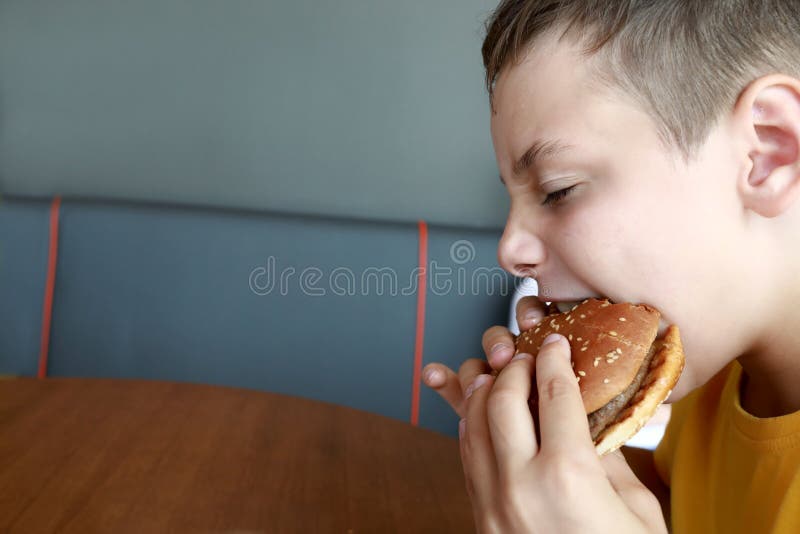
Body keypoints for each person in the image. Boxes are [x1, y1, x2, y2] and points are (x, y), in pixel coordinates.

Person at [422, 1, 800, 532]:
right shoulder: (714, 368)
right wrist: (547, 461)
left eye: (558, 189)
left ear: (767, 152)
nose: (511, 249)